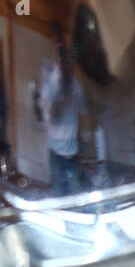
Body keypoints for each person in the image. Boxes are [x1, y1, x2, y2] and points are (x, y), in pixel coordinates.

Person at [38, 44, 89, 196]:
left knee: (73, 194)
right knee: (59, 194)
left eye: (70, 63)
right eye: (64, 62)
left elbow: (84, 110)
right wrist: (58, 77)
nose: (68, 66)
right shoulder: (51, 85)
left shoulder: (75, 86)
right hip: (57, 154)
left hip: (73, 152)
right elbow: (49, 107)